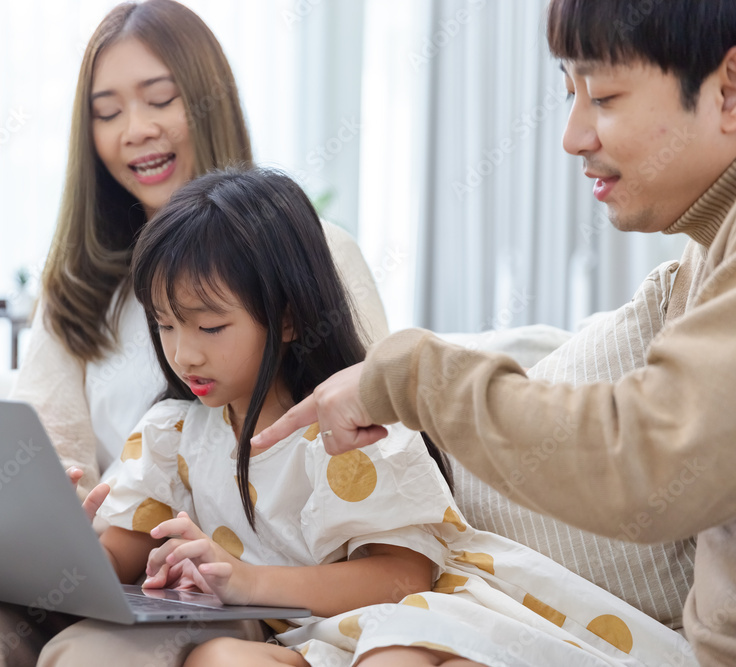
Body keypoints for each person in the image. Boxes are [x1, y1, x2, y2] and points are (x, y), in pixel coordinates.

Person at [0, 1, 388, 665]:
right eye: (106, 113)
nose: (134, 130)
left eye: (159, 99)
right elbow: (43, 460)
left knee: (97, 651)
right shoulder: (77, 288)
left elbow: (370, 427)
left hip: (211, 588)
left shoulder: (316, 251)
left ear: (208, 103)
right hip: (87, 569)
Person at [252, 1, 736, 665]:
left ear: (728, 90)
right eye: (571, 95)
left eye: (603, 96)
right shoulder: (702, 255)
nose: (573, 136)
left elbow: (649, 453)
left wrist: (412, 376)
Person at [108, 167, 691, 667]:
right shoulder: (171, 436)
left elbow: (401, 579)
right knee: (214, 657)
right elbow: (117, 556)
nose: (184, 352)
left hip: (416, 611)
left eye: (210, 326)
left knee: (403, 651)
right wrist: (49, 531)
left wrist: (244, 581)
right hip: (314, 638)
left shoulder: (352, 430)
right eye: (164, 324)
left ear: (286, 318)